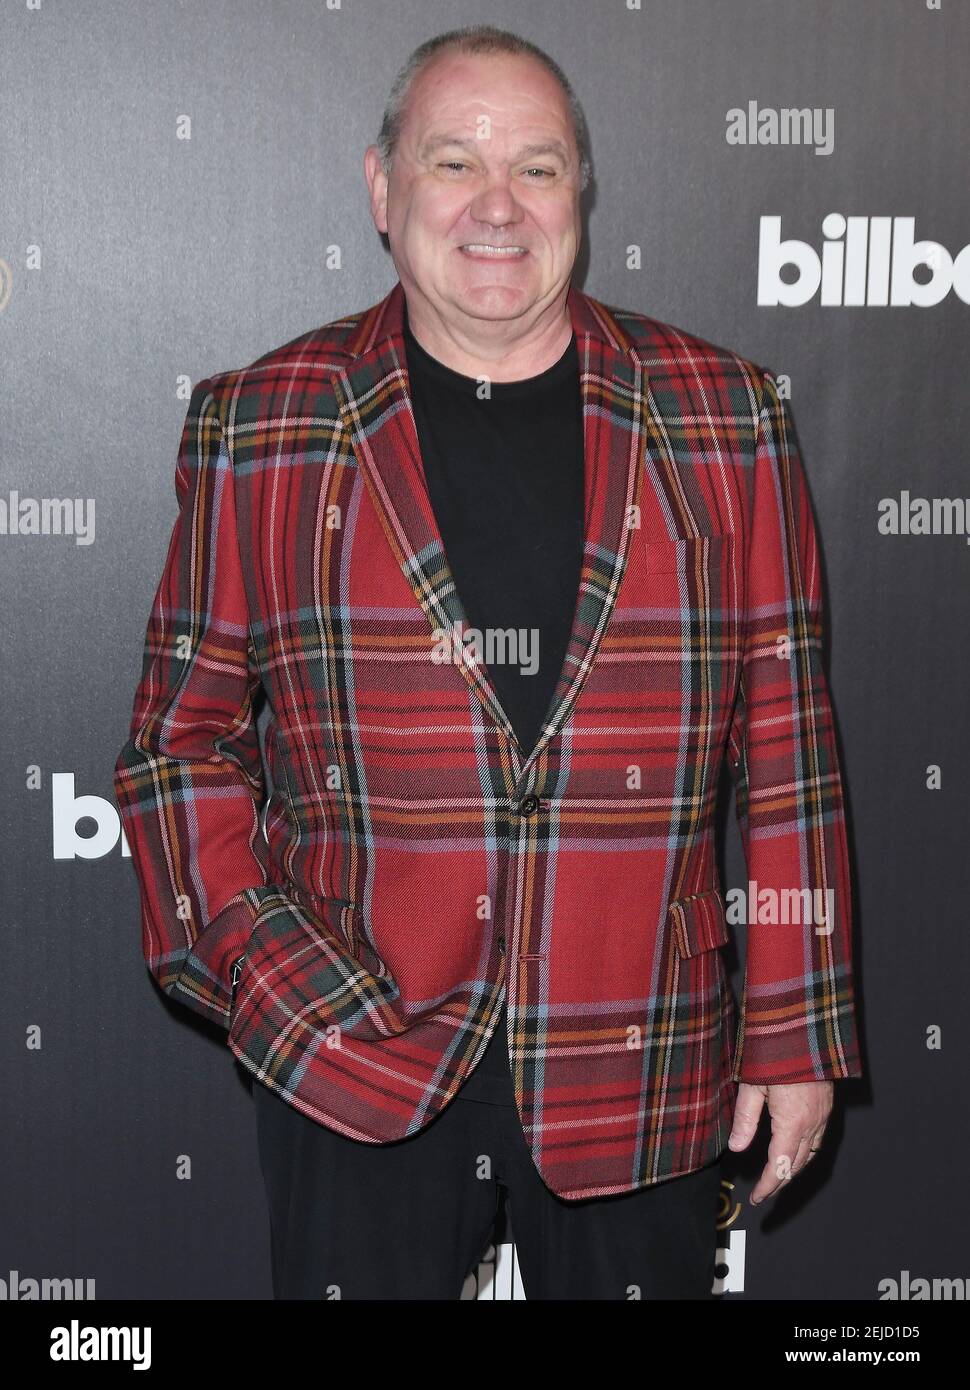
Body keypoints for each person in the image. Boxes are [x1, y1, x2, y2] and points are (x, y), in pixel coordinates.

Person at [113, 23, 862, 1301]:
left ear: (583, 192)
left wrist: (795, 1027)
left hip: (640, 1052)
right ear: (381, 186)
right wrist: (282, 983)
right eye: (453, 162)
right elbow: (177, 746)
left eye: (539, 167)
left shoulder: (728, 414)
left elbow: (788, 747)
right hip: (353, 1061)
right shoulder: (262, 424)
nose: (497, 207)